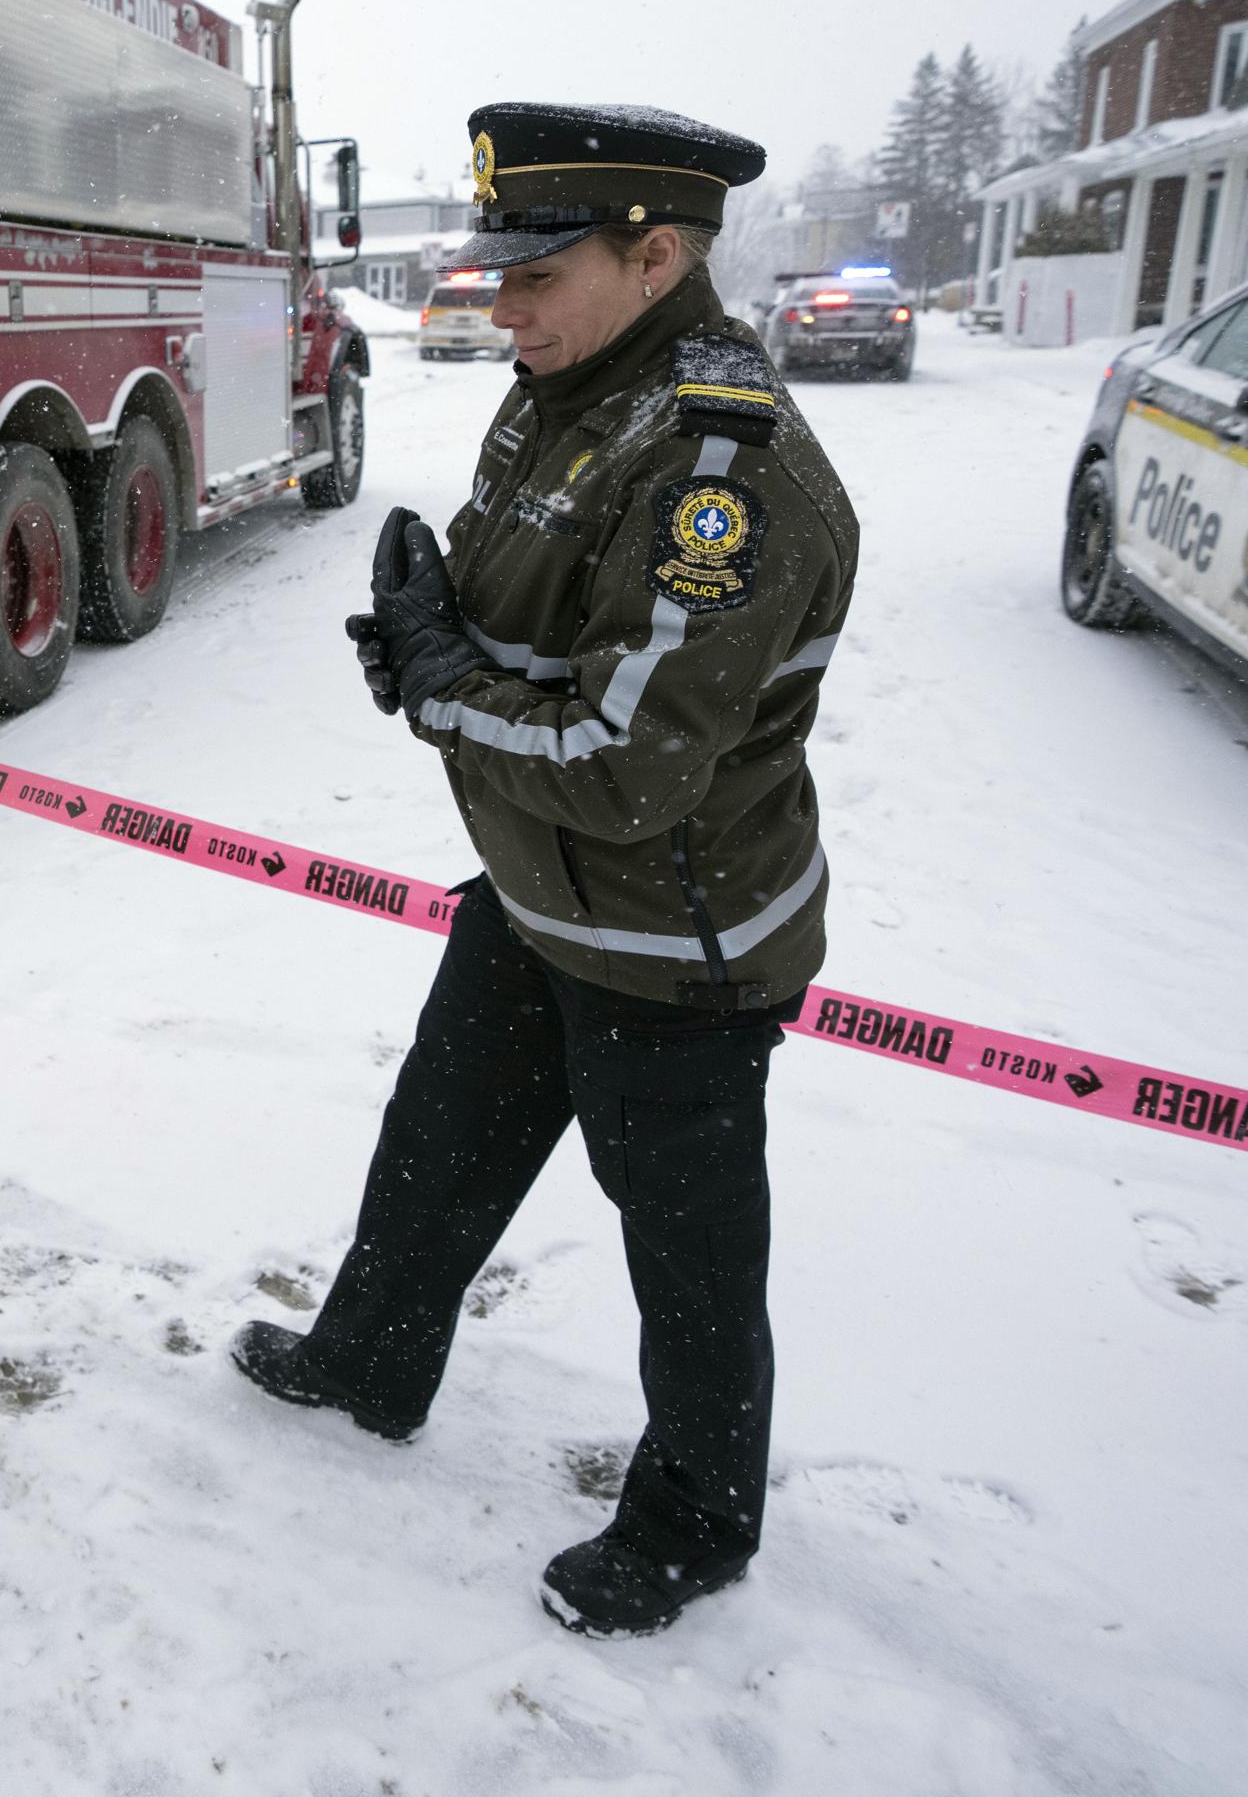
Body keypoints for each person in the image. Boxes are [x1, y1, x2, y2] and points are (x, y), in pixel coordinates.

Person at [234, 104, 859, 1638]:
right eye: (496, 270)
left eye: (535, 273)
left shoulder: (720, 470)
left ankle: (695, 1524)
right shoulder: (565, 394)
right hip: (534, 888)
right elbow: (532, 618)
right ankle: (368, 1365)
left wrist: (442, 687)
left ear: (657, 259)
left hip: (674, 938)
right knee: (436, 1146)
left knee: (690, 1258)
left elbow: (631, 765)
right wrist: (431, 623)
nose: (497, 303)